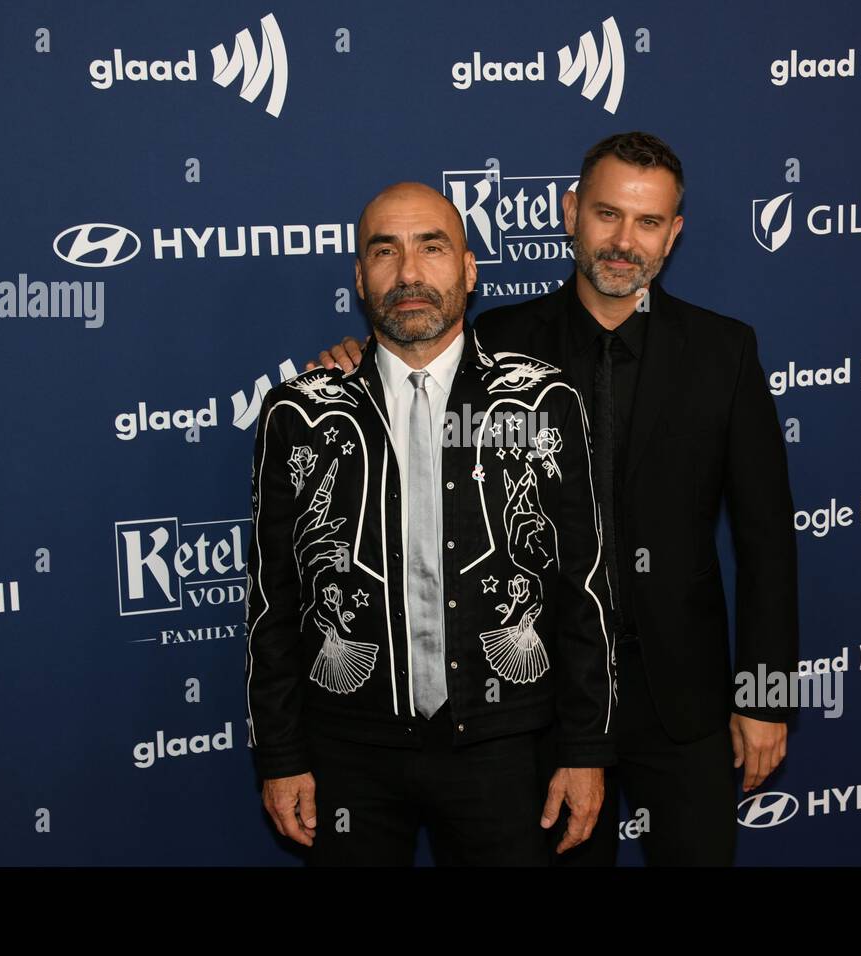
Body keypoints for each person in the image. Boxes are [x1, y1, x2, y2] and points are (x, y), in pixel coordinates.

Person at [311, 133, 799, 866]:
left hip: (680, 693)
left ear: (673, 233)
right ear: (571, 213)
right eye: (607, 214)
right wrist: (351, 365)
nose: (624, 241)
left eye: (648, 222)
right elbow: (405, 368)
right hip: (538, 696)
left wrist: (765, 695)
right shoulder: (496, 339)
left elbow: (767, 541)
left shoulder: (723, 351)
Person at [246, 182, 616, 866]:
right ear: (360, 278)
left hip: (506, 748)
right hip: (347, 751)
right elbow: (273, 600)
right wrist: (280, 752)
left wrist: (586, 748)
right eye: (384, 251)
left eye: (432, 248)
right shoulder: (299, 412)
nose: (409, 273)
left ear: (469, 271)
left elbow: (584, 588)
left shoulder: (542, 400)